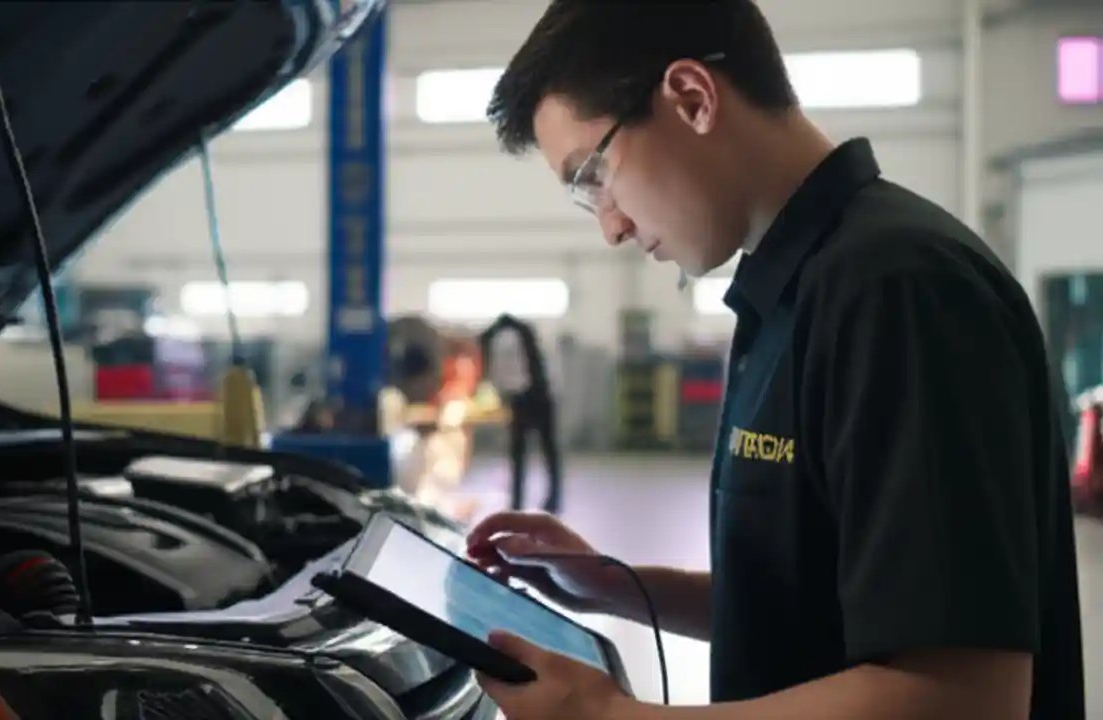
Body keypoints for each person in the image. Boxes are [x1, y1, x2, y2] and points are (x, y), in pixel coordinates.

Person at [465, 2, 1086, 720]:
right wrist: (621, 586)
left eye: (594, 174)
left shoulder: (897, 287)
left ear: (692, 99)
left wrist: (611, 717)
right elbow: (818, 605)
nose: (610, 226)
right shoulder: (788, 294)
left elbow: (961, 697)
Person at [480, 313, 563, 513]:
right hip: (541, 395)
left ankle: (518, 502)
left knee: (520, 453)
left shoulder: (502, 339)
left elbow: (504, 373)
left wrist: (502, 393)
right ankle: (552, 499)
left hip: (524, 398)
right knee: (547, 451)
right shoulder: (523, 334)